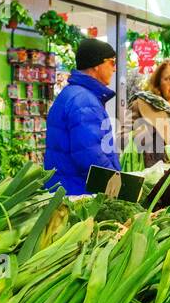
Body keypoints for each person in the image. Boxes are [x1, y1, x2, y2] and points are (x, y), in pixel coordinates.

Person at [44, 38, 120, 195]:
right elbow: (90, 155)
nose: (115, 69)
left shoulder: (72, 94)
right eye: (112, 62)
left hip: (63, 188)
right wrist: (118, 187)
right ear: (97, 64)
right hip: (77, 193)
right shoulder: (84, 100)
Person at [129, 59, 170, 166]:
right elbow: (122, 139)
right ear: (158, 83)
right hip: (148, 176)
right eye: (167, 79)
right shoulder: (140, 104)